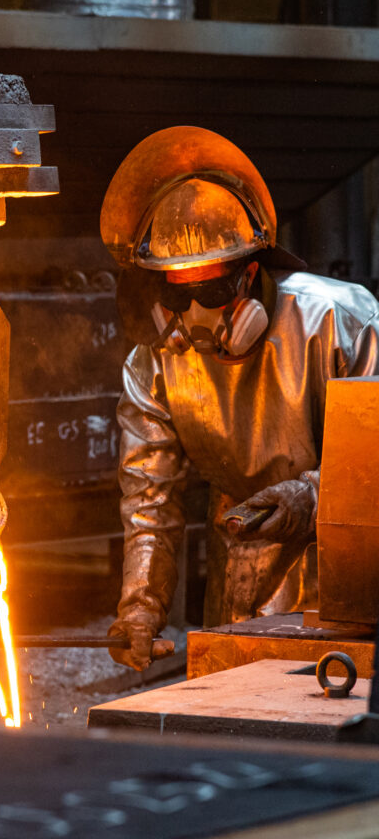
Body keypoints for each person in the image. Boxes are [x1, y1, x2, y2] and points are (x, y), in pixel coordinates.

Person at [100, 125, 379, 671]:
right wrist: (139, 609)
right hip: (243, 569)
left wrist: (310, 497)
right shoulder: (155, 362)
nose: (196, 314)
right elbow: (149, 502)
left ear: (250, 275)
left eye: (212, 290)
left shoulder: (342, 322)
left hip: (351, 569)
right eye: (179, 292)